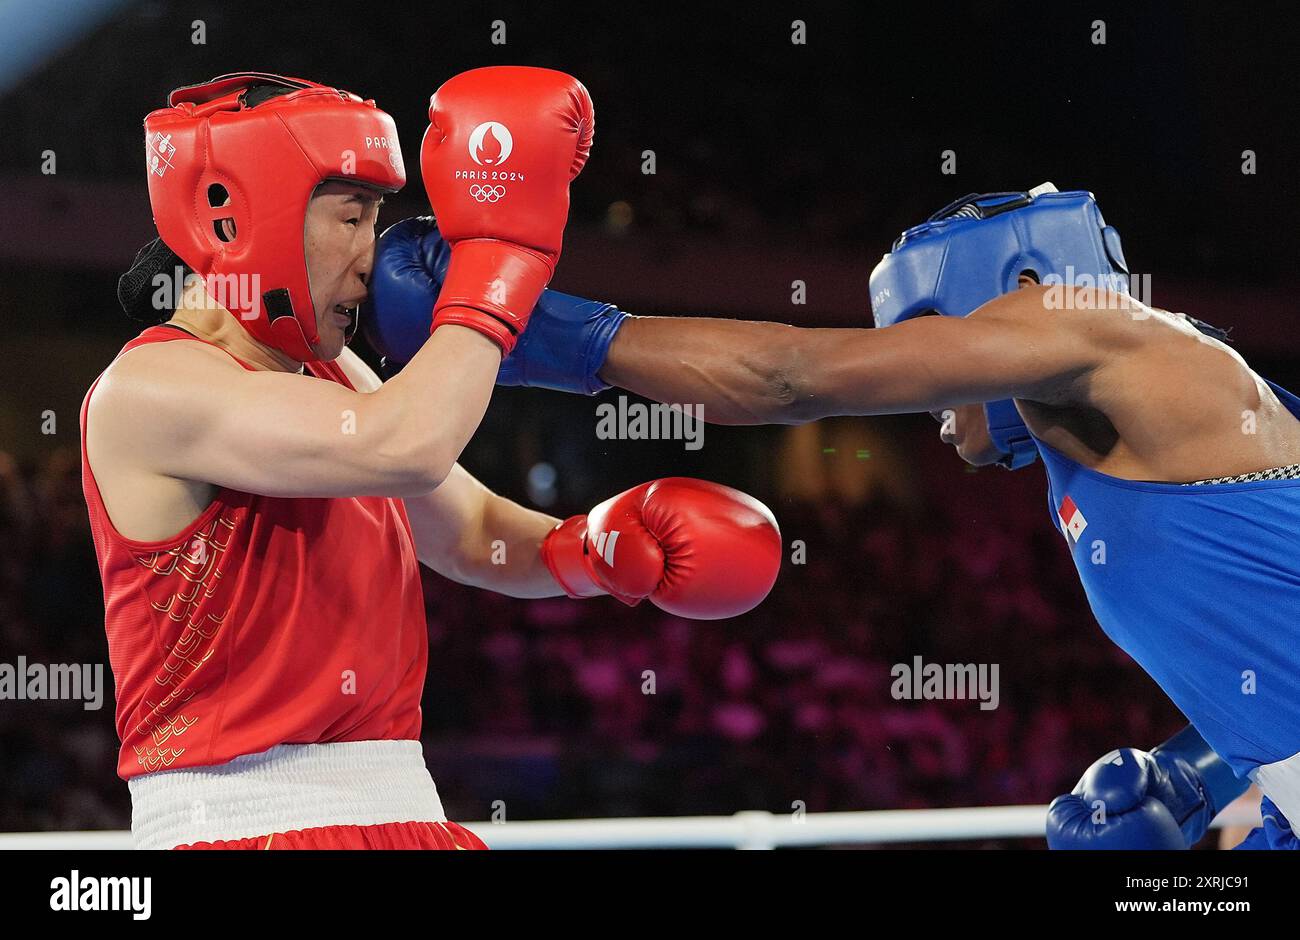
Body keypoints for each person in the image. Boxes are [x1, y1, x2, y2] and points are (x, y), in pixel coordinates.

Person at [368, 183, 1300, 849]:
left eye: (930, 328)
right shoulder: (1134, 431)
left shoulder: (1106, 332)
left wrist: (523, 330)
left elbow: (791, 378)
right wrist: (1195, 774)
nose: (926, 379)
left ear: (1019, 287)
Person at [84, 69, 780, 851]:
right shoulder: (151, 387)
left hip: (407, 814)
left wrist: (592, 549)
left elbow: (471, 530)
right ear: (236, 216)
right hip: (248, 827)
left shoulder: (333, 374)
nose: (368, 256)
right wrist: (500, 262)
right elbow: (404, 446)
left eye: (375, 219)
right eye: (351, 216)